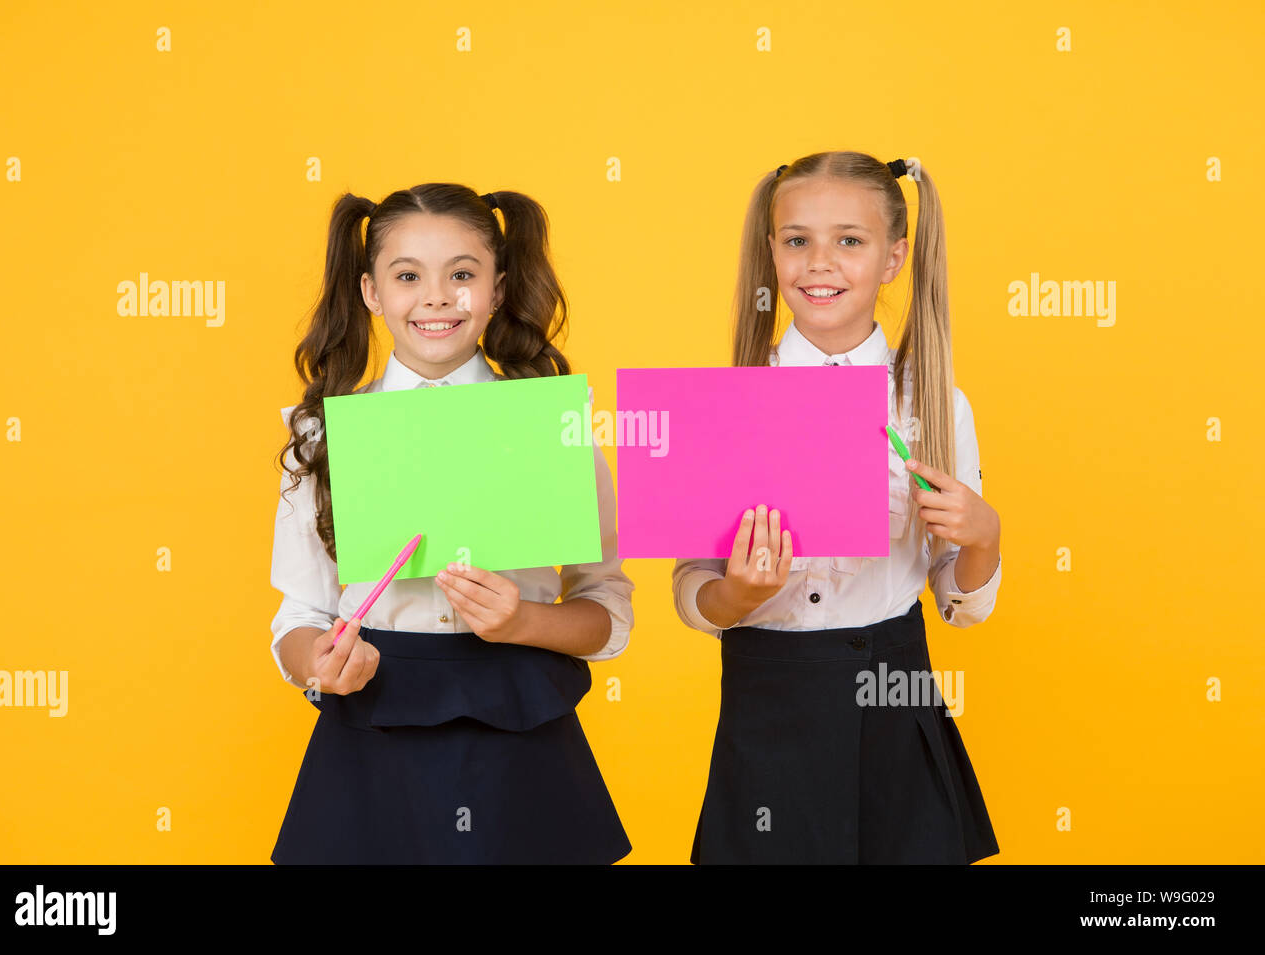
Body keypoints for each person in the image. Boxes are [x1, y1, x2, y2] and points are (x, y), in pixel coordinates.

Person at [269, 184, 632, 864]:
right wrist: (318, 666)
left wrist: (524, 622)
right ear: (372, 291)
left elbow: (605, 609)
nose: (436, 298)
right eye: (408, 275)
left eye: (462, 274)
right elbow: (299, 615)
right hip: (371, 739)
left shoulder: (551, 428)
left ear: (496, 288)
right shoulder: (324, 434)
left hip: (518, 736)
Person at [674, 152, 1002, 864]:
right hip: (767, 715)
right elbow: (691, 595)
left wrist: (984, 537)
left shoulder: (935, 406)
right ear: (772, 253)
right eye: (797, 240)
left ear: (894, 258)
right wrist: (737, 591)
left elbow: (960, 601)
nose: (819, 262)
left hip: (894, 699)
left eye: (849, 240)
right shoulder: (722, 405)